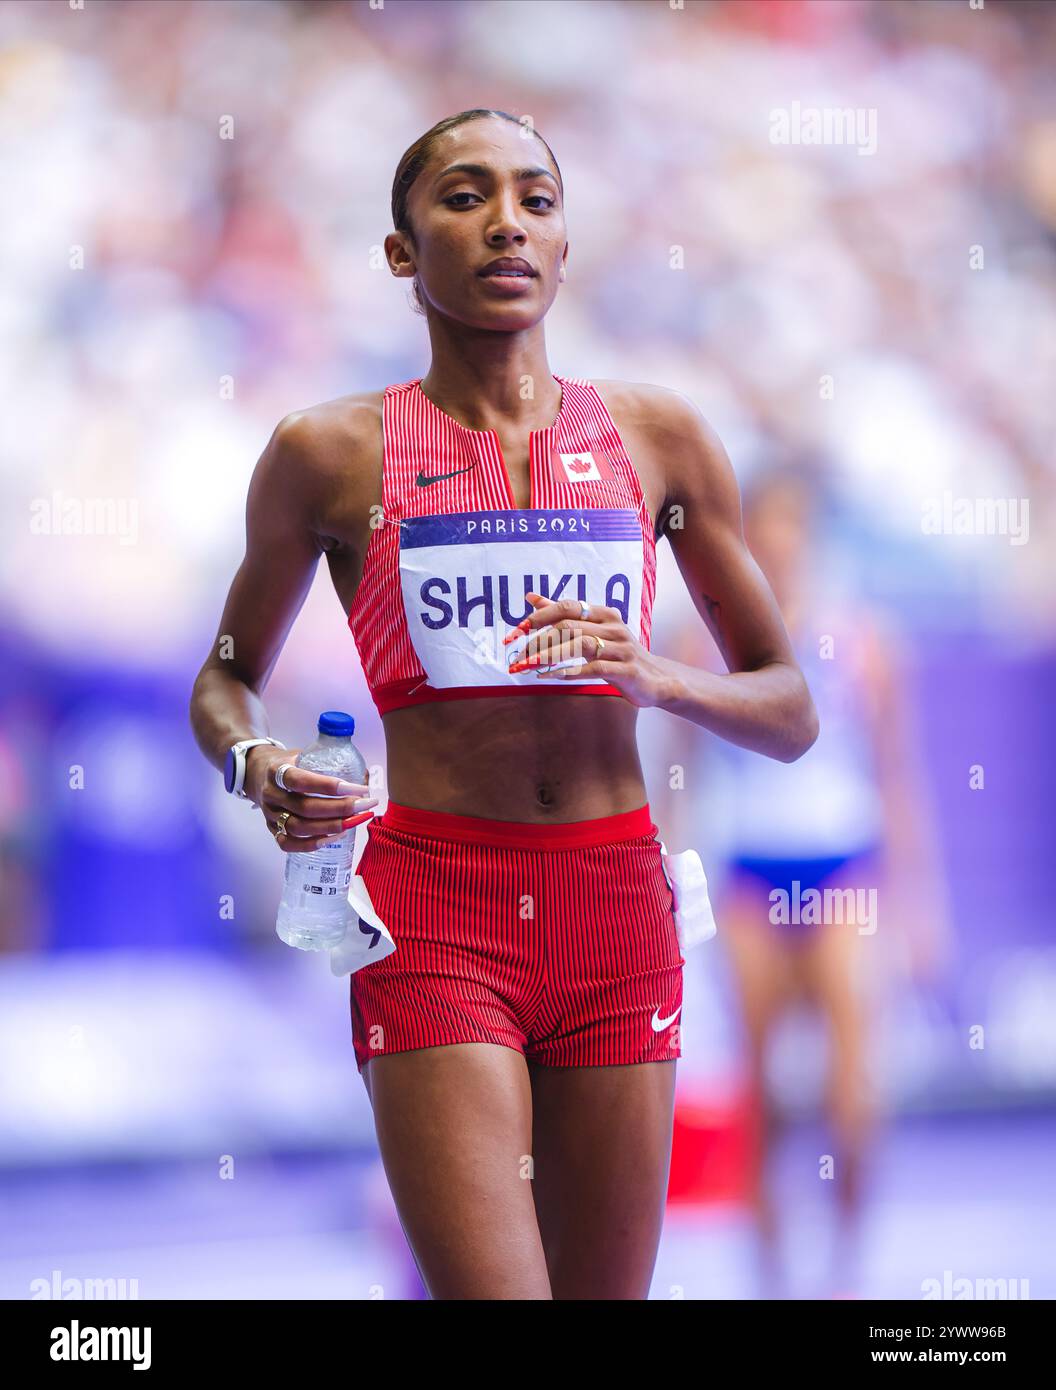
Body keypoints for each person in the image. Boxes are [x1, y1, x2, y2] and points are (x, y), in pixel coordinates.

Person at [189, 108, 818, 1300]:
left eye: (536, 198)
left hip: (616, 909)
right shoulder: (329, 452)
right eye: (465, 197)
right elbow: (224, 677)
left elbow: (791, 709)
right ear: (399, 250)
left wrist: (655, 674)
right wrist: (261, 765)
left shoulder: (661, 438)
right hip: (436, 910)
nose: (505, 224)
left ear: (567, 245)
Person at [707, 467, 950, 1298]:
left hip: (844, 867)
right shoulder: (706, 634)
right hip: (749, 875)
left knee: (853, 1097)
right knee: (761, 1093)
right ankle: (773, 1277)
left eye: (790, 533)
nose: (777, 548)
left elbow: (896, 775)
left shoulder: (865, 640)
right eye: (762, 534)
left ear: (811, 539)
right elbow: (670, 767)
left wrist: (921, 908)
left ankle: (844, 1274)